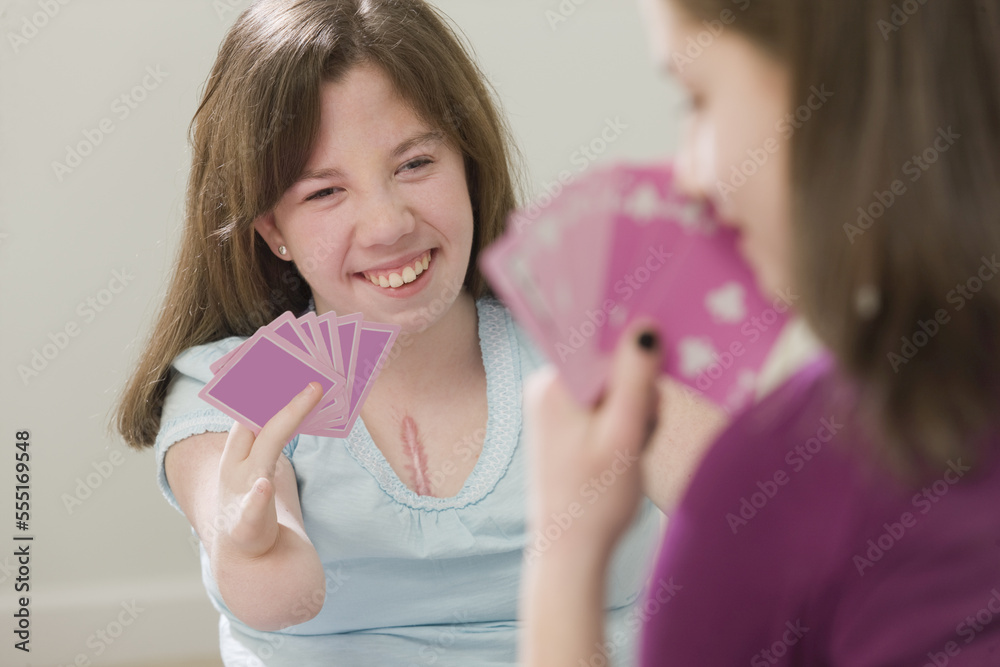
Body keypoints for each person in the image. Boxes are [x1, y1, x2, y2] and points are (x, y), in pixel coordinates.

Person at [113, 1, 727, 664]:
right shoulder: (239, 382)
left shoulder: (582, 341)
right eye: (325, 193)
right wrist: (250, 543)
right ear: (273, 232)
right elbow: (278, 596)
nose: (387, 224)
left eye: (414, 164)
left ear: (468, 162)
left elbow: (746, 503)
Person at [521, 0, 1000, 664]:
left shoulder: (778, 479)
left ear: (825, 86)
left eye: (697, 99)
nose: (687, 173)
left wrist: (563, 556)